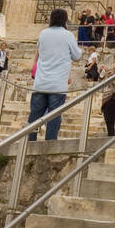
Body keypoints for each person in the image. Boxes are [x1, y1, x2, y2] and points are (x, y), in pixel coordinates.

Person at [27, 8, 82, 141]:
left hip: (40, 83)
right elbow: (76, 56)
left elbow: (39, 51)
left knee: (34, 116)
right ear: (65, 20)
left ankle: (29, 143)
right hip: (57, 85)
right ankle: (49, 144)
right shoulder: (68, 35)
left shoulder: (43, 33)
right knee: (54, 117)